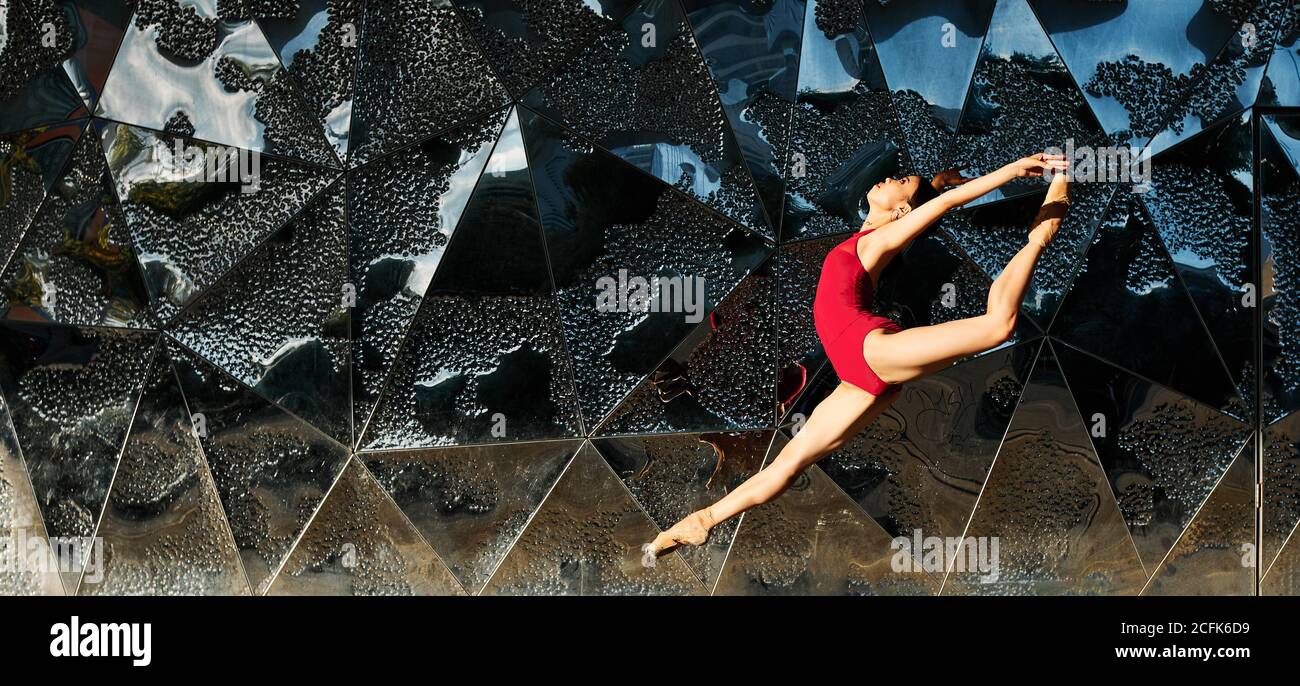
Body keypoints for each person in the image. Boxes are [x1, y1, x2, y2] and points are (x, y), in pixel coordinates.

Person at [643, 152, 1072, 564]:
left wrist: (1013, 170)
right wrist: (938, 180)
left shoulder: (880, 239)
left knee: (998, 326)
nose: (890, 178)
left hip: (869, 347)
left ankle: (1040, 235)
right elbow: (938, 191)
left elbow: (943, 202)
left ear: (903, 212)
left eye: (900, 183)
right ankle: (703, 519)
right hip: (857, 374)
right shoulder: (869, 233)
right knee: (790, 463)